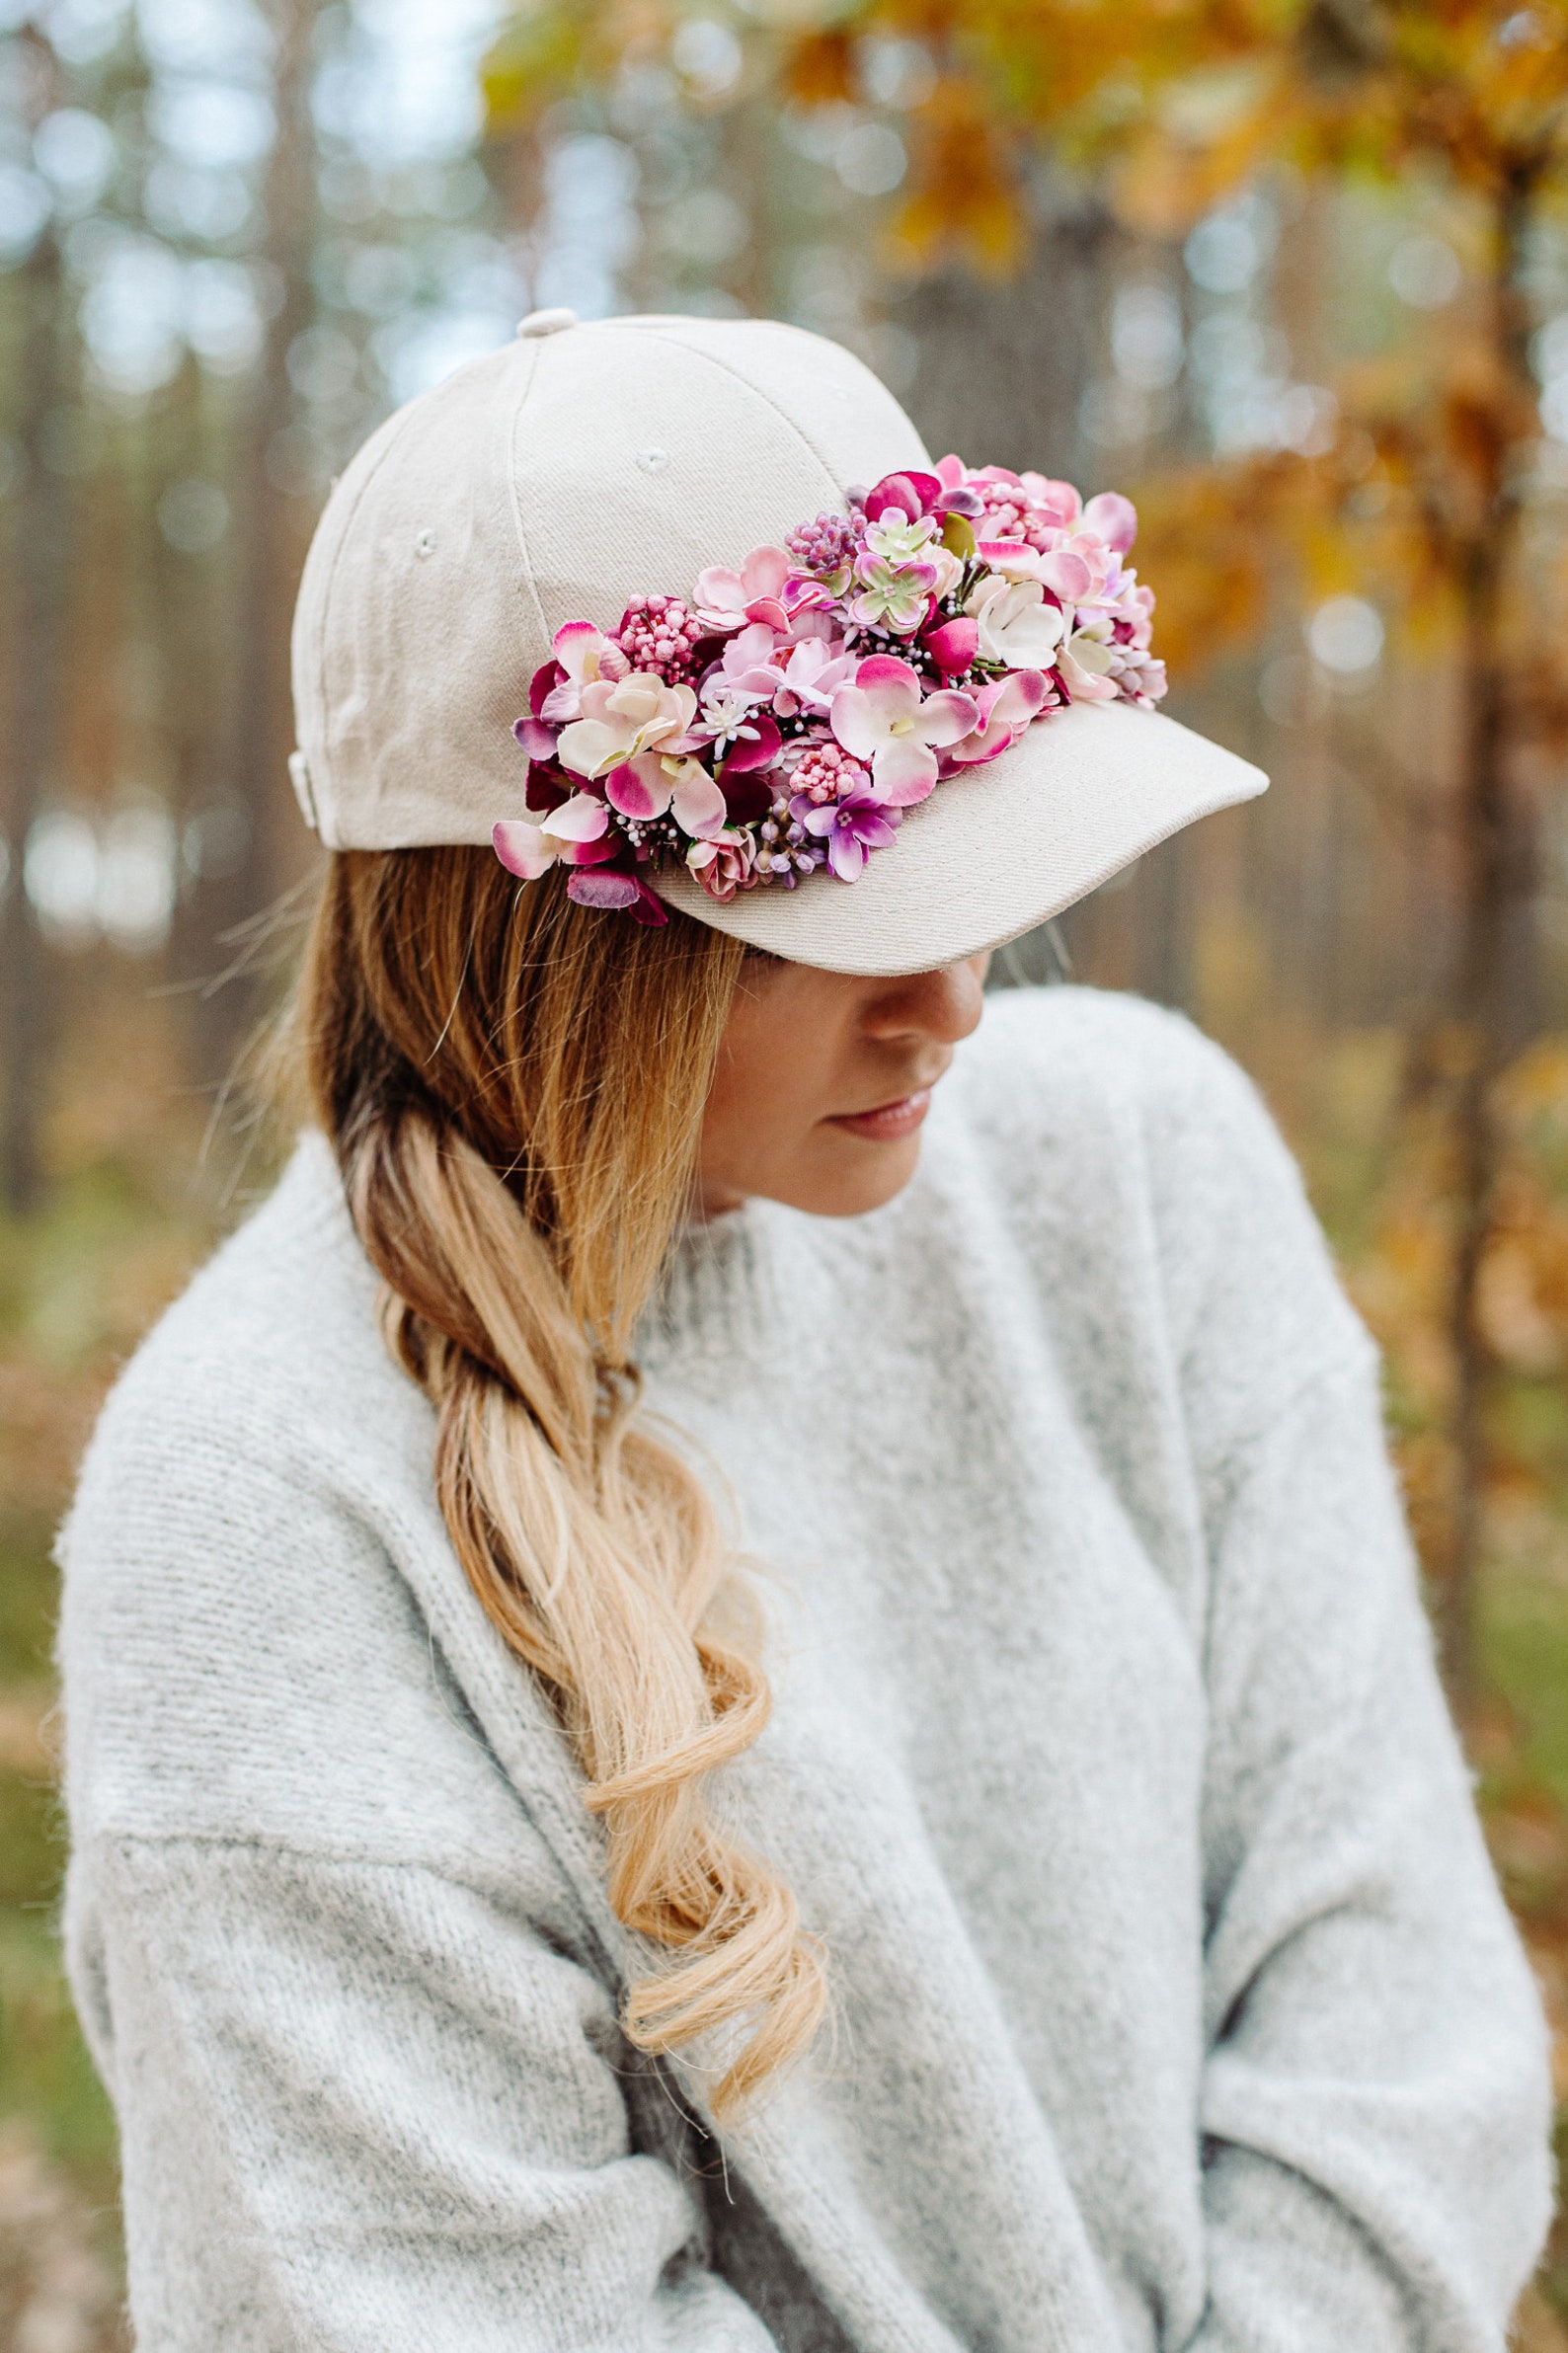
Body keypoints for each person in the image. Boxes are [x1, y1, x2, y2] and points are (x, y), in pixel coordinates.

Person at [59, 313, 1550, 2353]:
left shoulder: (1133, 1169)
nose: (949, 992)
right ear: (542, 945)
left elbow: (1393, 2029)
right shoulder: (261, 1501)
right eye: (835, 888)